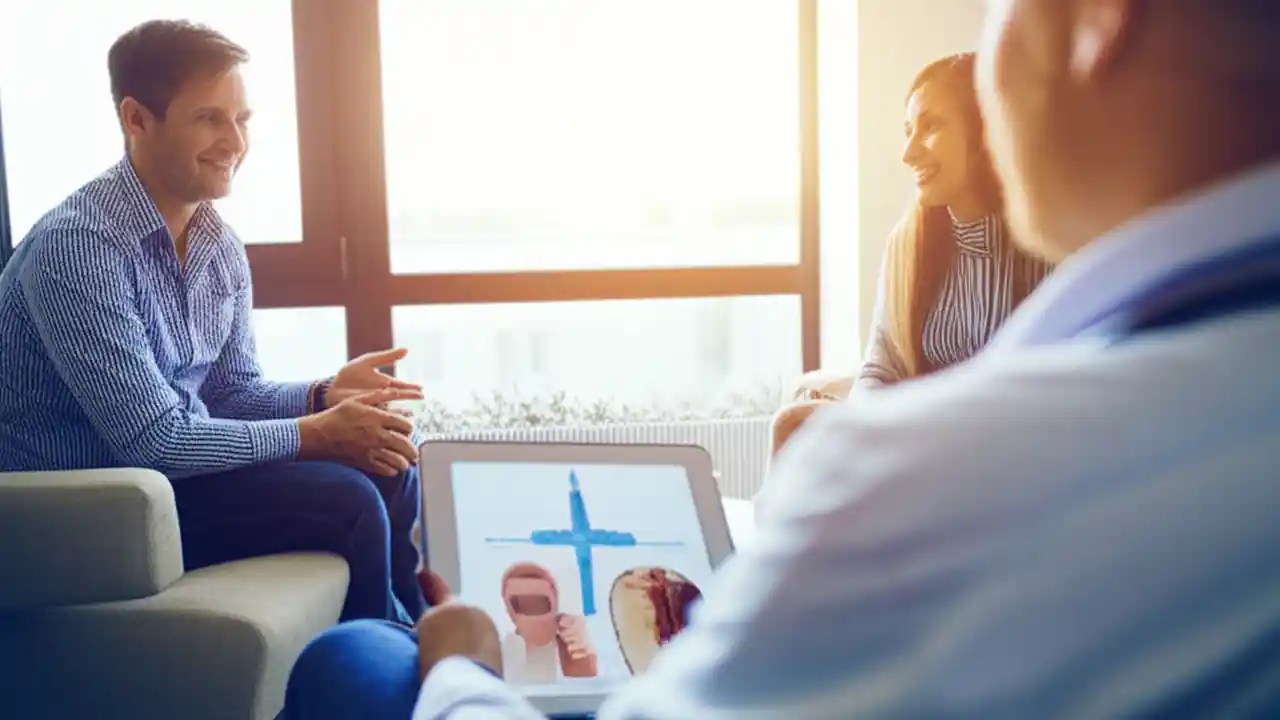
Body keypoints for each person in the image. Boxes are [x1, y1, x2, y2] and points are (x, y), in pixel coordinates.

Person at [285, 0, 1280, 716]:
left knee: (354, 660)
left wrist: (464, 674)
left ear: (1097, 18)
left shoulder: (938, 480)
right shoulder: (927, 267)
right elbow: (887, 365)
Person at [0, 20, 428, 624]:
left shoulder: (216, 243)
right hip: (97, 511)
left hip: (174, 485)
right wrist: (319, 432)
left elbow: (230, 392)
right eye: (208, 118)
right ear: (136, 119)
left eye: (241, 120)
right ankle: (375, 680)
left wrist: (324, 394)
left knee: (388, 463)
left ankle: (418, 656)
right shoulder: (77, 249)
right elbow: (157, 440)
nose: (234, 141)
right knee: (349, 498)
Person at [769, 53, 1051, 458]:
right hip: (920, 433)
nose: (908, 153)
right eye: (908, 130)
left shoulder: (1043, 245)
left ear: (985, 128)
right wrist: (875, 432)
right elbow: (880, 369)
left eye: (931, 126)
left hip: (1003, 447)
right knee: (791, 425)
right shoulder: (908, 244)